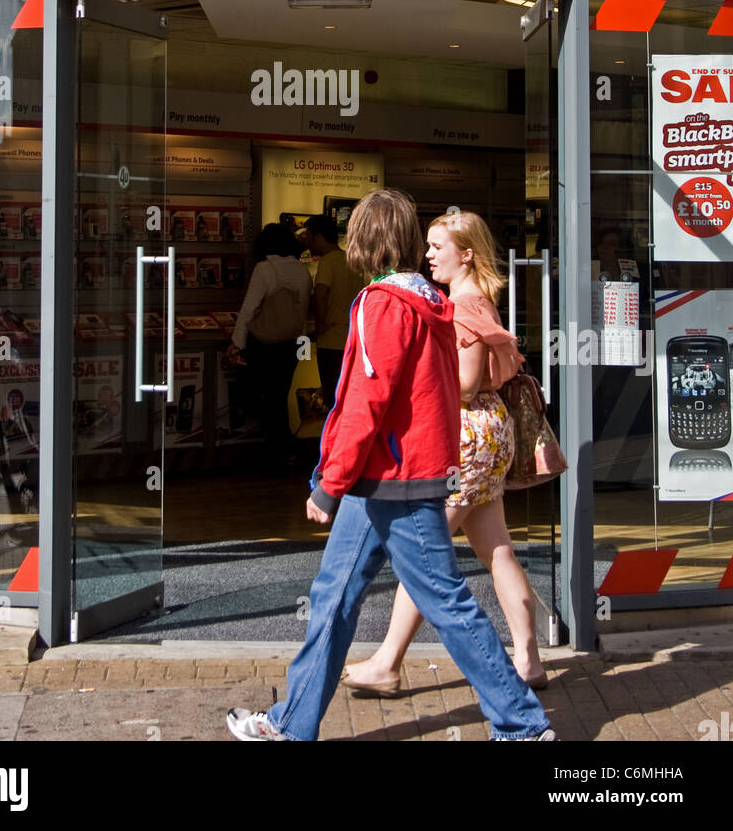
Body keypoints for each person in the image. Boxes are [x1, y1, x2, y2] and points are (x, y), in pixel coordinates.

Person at [226, 189, 553, 742]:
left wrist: (328, 483)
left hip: (394, 480)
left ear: (365, 239)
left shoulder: (382, 304)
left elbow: (362, 402)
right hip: (397, 475)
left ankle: (523, 725)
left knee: (441, 602)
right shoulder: (428, 300)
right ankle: (291, 722)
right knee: (336, 595)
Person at [341, 209, 547, 694]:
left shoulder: (464, 303)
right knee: (496, 550)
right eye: (428, 246)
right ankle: (529, 660)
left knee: (424, 555)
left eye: (438, 247)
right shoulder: (478, 300)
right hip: (487, 436)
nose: (427, 255)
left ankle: (387, 663)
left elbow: (468, 381)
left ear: (467, 254)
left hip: (466, 437)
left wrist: (421, 381)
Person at [223, 222, 311, 472]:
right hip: (291, 345)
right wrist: (302, 348)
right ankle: (285, 449)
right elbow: (302, 314)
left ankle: (283, 448)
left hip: (264, 345)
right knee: (277, 397)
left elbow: (248, 310)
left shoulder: (265, 268)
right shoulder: (302, 271)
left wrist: (236, 344)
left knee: (253, 395)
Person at [302, 214, 364, 404]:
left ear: (319, 237)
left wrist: (319, 326)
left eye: (309, 236)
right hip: (351, 339)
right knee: (347, 398)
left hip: (330, 340)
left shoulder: (328, 261)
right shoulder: (352, 261)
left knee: (332, 398)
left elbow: (321, 294)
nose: (307, 242)